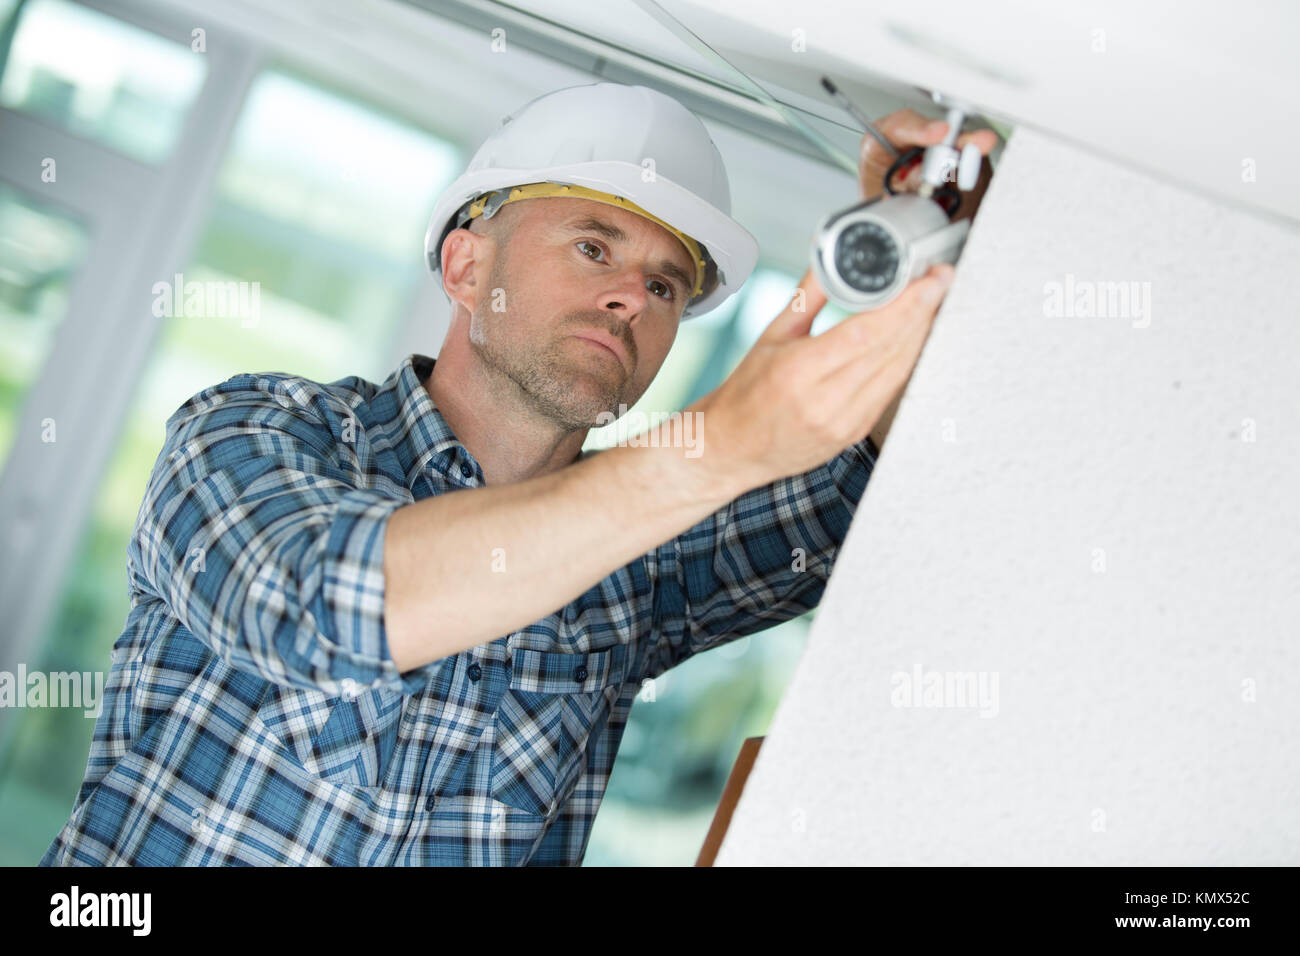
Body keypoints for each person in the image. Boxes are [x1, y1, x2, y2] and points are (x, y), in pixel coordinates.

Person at [41, 82, 996, 866]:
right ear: (465, 266)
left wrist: (936, 240)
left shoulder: (636, 569)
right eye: (593, 246)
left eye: (667, 285)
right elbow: (316, 603)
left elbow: (849, 483)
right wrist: (713, 448)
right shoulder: (255, 430)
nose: (632, 293)